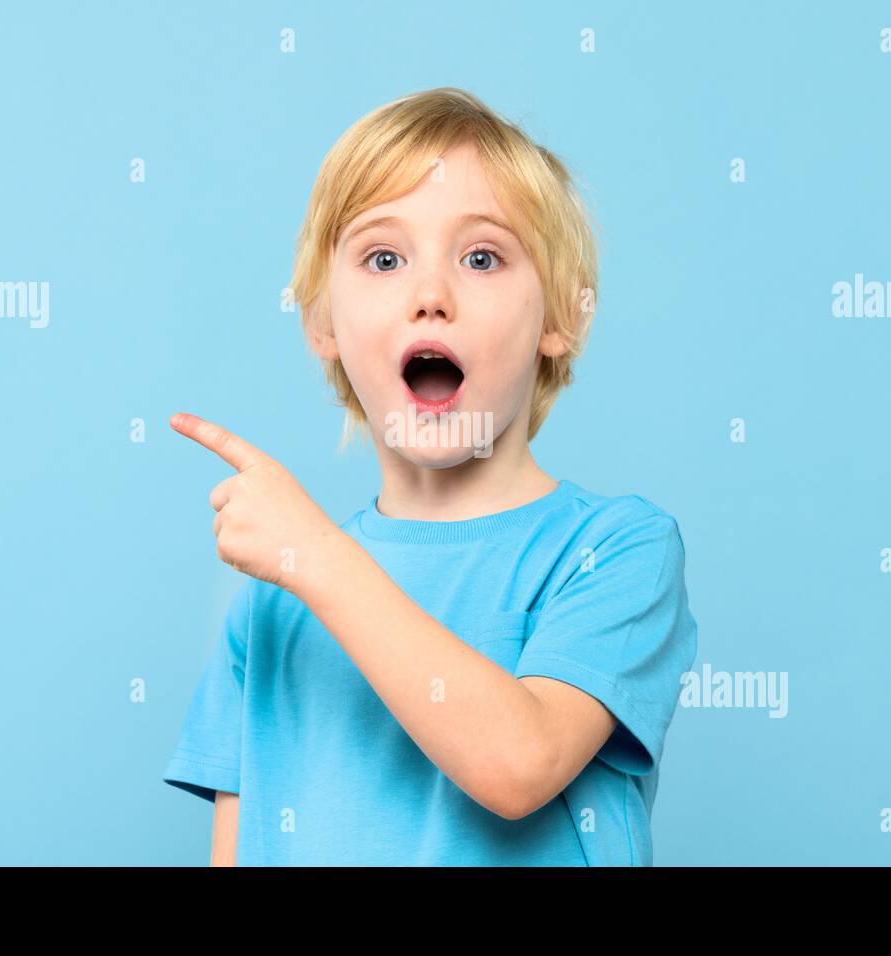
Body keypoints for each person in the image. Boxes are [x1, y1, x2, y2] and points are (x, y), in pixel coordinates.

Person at [163, 87, 698, 866]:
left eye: (481, 257)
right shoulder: (274, 605)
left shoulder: (617, 550)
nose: (429, 297)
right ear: (322, 324)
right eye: (384, 258)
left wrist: (312, 557)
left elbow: (519, 765)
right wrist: (299, 570)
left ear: (562, 318)